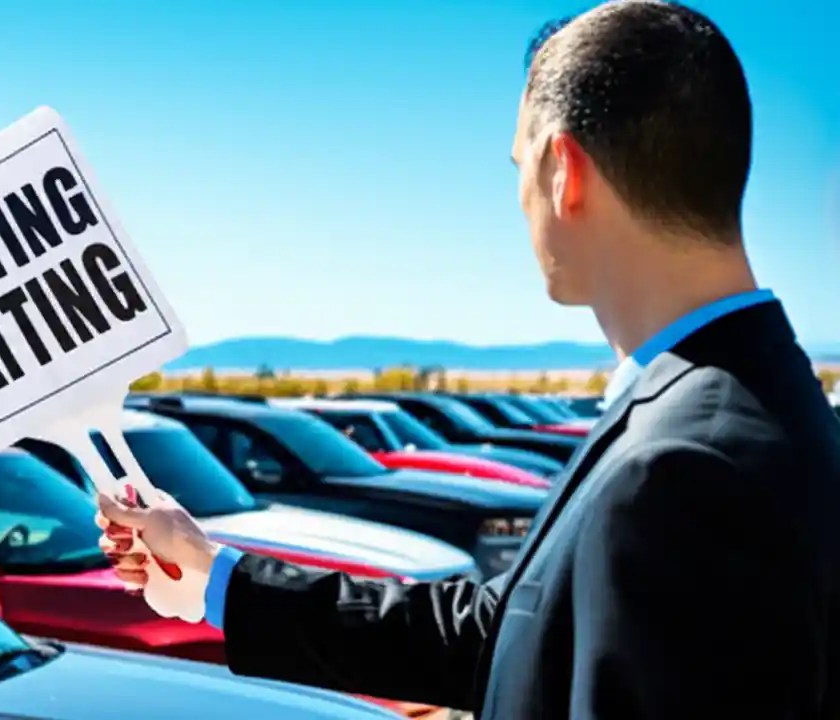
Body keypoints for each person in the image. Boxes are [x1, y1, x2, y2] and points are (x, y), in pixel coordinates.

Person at [94, 1, 840, 718]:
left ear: (562, 172)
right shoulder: (747, 402)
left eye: (517, 165)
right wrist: (213, 578)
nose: (518, 200)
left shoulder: (683, 466)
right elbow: (504, 632)